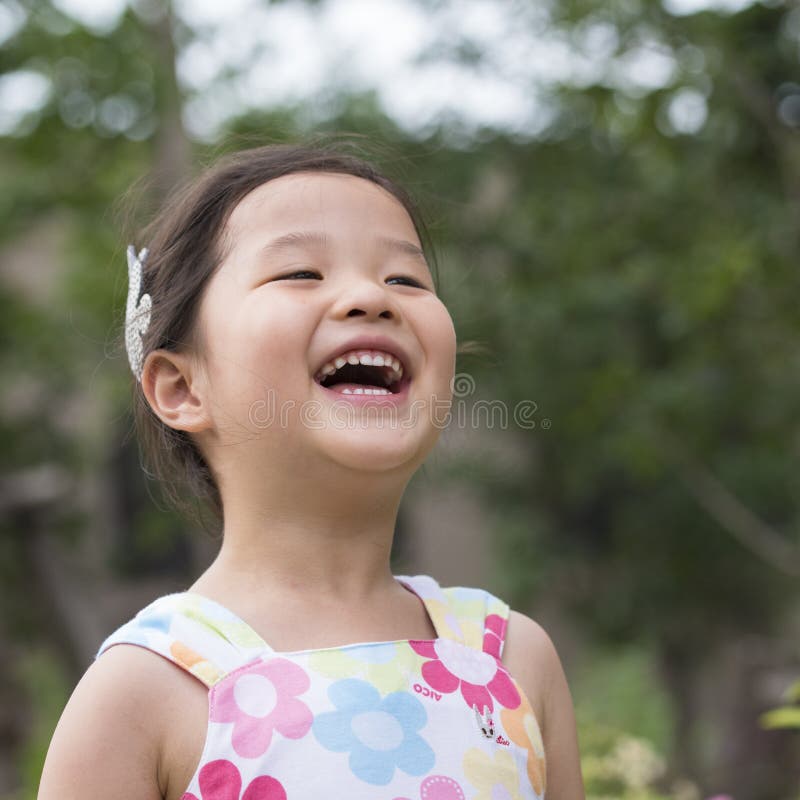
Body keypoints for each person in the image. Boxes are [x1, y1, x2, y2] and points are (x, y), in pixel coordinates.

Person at [38, 142, 584, 799]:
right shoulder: (148, 687)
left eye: (406, 280)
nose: (371, 298)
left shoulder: (510, 657)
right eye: (300, 271)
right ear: (182, 387)